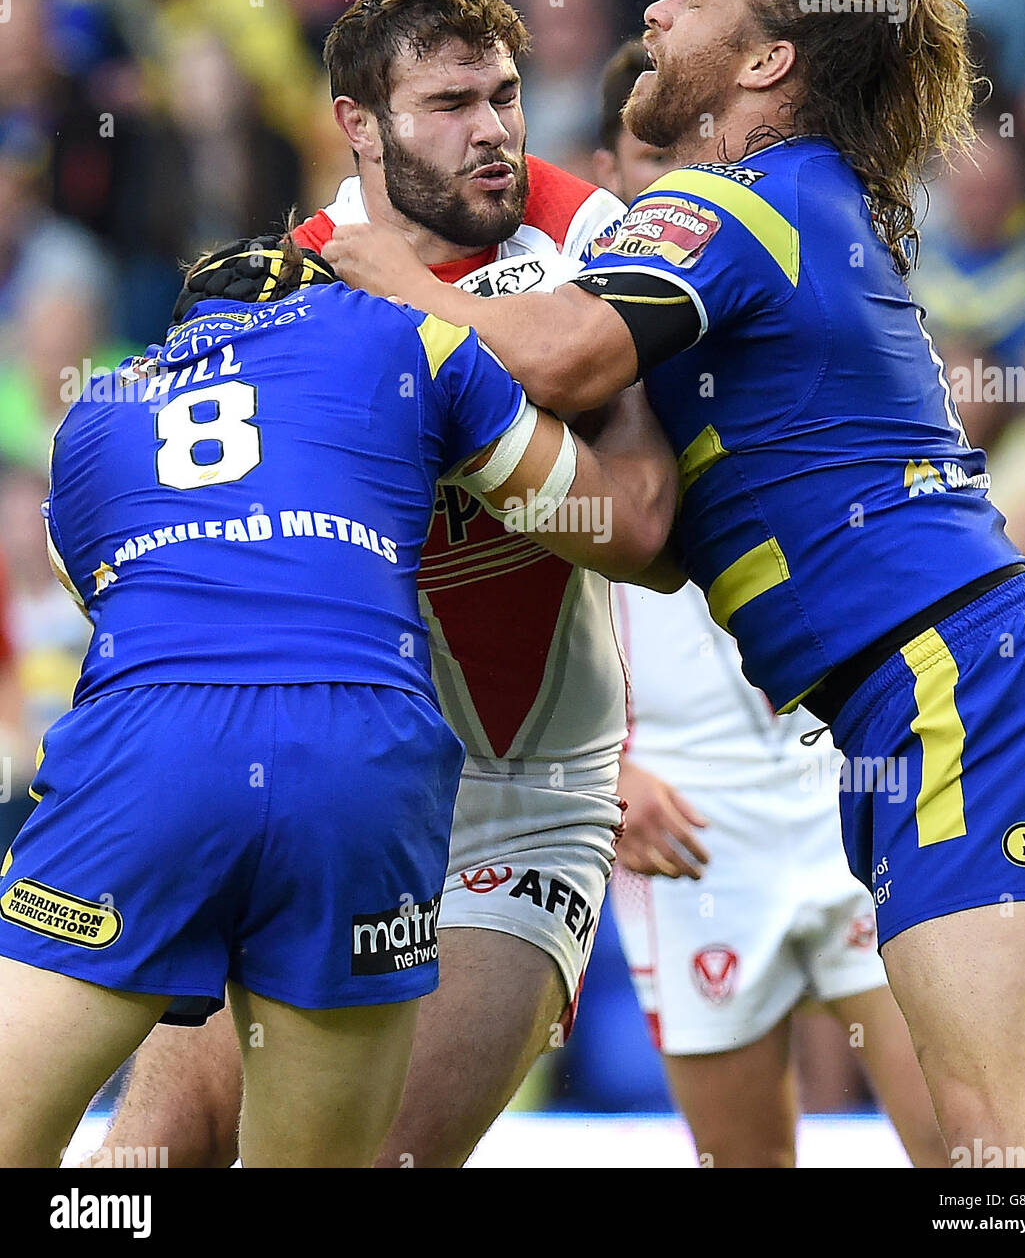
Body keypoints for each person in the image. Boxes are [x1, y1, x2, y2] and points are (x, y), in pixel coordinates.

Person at [326, 0, 1025, 1166]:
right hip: (982, 676)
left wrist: (391, 276)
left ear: (762, 65)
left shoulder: (737, 203)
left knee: (1001, 1144)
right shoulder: (797, 198)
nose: (653, 10)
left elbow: (570, 351)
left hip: (948, 687)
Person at [95, 0, 648, 1170]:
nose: (493, 129)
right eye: (451, 104)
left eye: (505, 94)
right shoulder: (281, 281)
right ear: (358, 125)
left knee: (377, 1154)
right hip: (325, 776)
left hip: (528, 791)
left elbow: (647, 528)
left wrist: (455, 373)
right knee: (158, 1144)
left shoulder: (588, 239)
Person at [0, 233, 676, 1168]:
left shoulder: (93, 413)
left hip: (155, 740)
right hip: (362, 745)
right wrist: (639, 396)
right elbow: (624, 530)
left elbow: (99, 592)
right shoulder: (404, 334)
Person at [596, 42, 944, 1167]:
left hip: (840, 764)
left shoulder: (801, 292)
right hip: (686, 802)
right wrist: (597, 771)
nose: (671, 182)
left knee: (963, 1146)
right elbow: (507, 583)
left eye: (688, 150)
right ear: (606, 172)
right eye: (647, 156)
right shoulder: (563, 353)